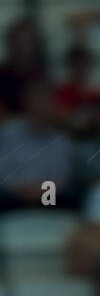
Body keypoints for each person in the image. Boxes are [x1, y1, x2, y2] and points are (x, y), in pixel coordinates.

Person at [0, 81, 75, 211]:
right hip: (12, 194)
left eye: (45, 102)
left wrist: (39, 192)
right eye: (36, 101)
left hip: (48, 196)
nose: (40, 107)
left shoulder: (60, 140)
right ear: (27, 103)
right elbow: (3, 171)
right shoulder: (8, 132)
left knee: (70, 197)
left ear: (53, 105)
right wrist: (22, 190)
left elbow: (60, 177)